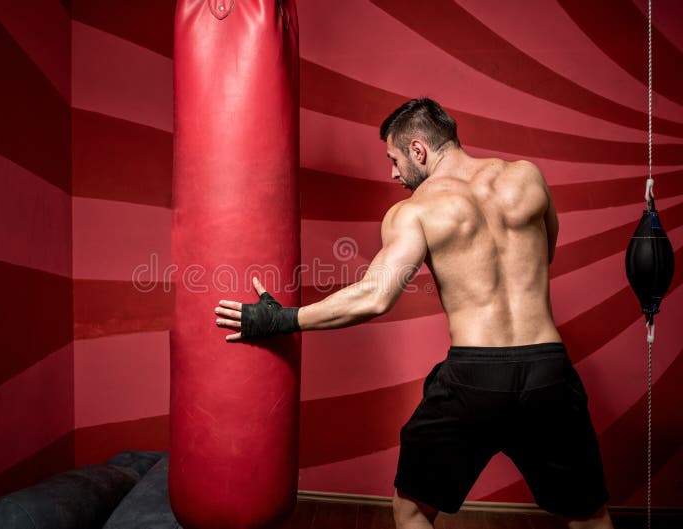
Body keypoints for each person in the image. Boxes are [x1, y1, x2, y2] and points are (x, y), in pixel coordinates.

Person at [214, 98, 613, 529]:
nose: (393, 173)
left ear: (419, 150)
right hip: (546, 370)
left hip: (474, 377)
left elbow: (374, 296)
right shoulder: (528, 177)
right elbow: (546, 252)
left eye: (395, 159)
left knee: (411, 509)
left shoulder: (415, 211)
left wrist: (282, 320)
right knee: (589, 515)